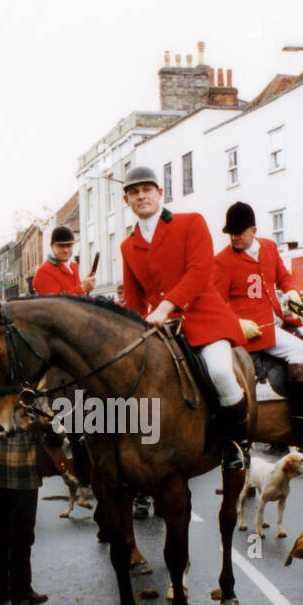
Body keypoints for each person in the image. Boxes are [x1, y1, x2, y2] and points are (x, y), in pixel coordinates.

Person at [120, 166, 248, 468]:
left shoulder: (191, 222)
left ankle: (237, 443)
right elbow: (133, 298)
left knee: (219, 370)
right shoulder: (127, 245)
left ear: (160, 193)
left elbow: (200, 272)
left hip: (203, 317)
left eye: (147, 190)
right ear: (127, 200)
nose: (142, 196)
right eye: (134, 192)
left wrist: (165, 307)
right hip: (157, 328)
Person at [213, 201, 303, 442]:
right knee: (301, 351)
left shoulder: (270, 247)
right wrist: (235, 323)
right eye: (230, 233)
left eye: (238, 233)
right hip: (253, 331)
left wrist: (293, 291)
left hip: (276, 320)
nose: (233, 238)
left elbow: (285, 277)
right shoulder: (222, 260)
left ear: (253, 230)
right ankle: (302, 417)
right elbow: (216, 302)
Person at [0, 399, 47, 605]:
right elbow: (46, 420)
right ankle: (21, 591)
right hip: (24, 466)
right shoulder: (29, 390)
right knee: (23, 531)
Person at [32, 226, 96, 296]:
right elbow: (55, 303)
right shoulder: (43, 272)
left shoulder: (73, 267)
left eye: (69, 245)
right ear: (51, 246)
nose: (65, 250)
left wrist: (86, 288)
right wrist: (82, 288)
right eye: (61, 246)